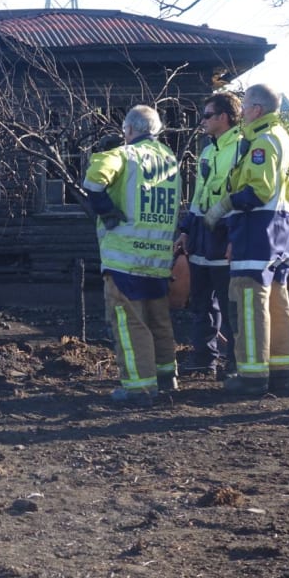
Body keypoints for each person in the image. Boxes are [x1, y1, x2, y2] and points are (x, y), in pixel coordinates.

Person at [204, 84, 289, 395]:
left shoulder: (262, 142)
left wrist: (223, 206)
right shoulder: (285, 140)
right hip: (282, 229)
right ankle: (283, 370)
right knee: (278, 301)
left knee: (249, 301)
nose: (242, 112)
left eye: (245, 106)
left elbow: (258, 190)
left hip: (257, 228)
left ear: (257, 109)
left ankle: (252, 375)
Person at [82, 105, 180, 406]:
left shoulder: (124, 155)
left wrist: (106, 210)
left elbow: (93, 182)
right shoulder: (169, 159)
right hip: (158, 259)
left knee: (129, 323)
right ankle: (166, 377)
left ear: (129, 129)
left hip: (125, 258)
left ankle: (139, 388)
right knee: (158, 320)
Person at [174, 92, 242, 378]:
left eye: (207, 115)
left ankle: (236, 364)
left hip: (226, 233)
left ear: (223, 117)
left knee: (229, 305)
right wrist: (186, 230)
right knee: (201, 303)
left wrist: (235, 238)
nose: (202, 121)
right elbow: (199, 194)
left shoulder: (241, 148)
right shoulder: (207, 150)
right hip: (201, 235)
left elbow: (240, 196)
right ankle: (204, 359)